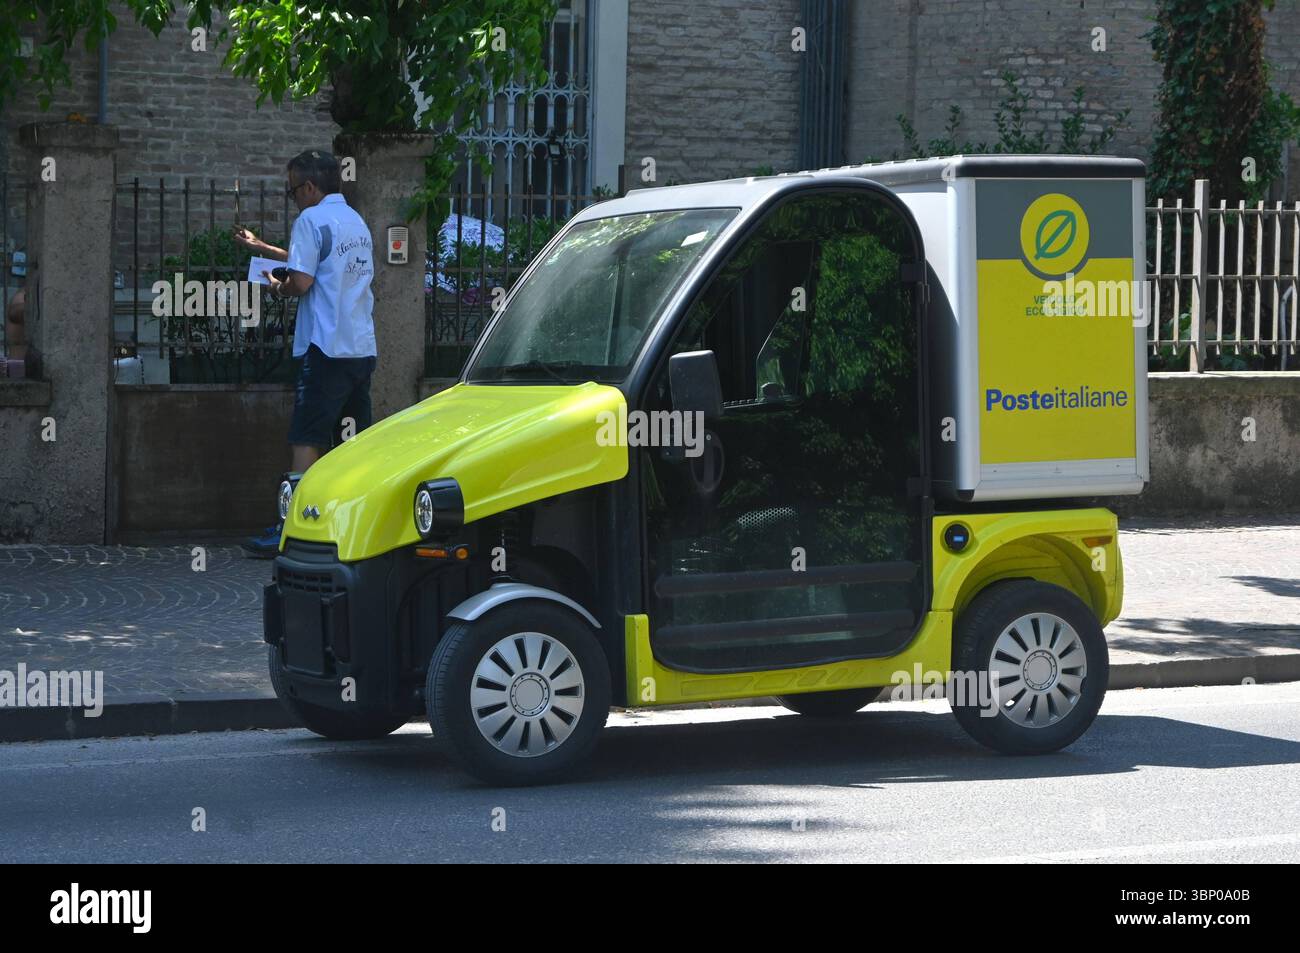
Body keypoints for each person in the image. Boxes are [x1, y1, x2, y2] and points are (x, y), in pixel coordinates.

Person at [236, 150, 377, 558]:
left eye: (293, 190)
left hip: (325, 346)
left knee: (306, 438)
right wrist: (263, 247)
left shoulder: (310, 220)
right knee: (352, 441)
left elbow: (300, 282)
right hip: (360, 347)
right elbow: (323, 263)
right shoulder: (354, 220)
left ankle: (293, 528)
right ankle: (352, 522)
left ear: (310, 187)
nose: (293, 197)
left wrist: (273, 285)